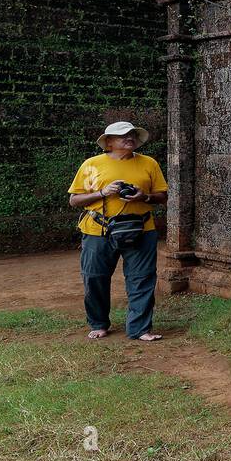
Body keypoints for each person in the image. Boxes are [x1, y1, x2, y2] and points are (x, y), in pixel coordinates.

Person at [68, 121, 168, 341]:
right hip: (98, 229)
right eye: (123, 135)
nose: (129, 138)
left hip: (141, 228)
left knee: (142, 278)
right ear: (109, 142)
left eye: (132, 134)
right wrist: (103, 193)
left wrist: (144, 196)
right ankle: (99, 323)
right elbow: (74, 200)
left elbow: (162, 196)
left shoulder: (148, 163)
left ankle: (140, 328)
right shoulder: (91, 164)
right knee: (94, 277)